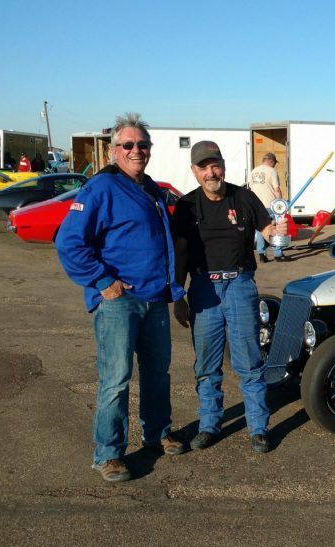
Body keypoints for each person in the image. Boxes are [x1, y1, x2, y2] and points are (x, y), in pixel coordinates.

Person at [54, 113, 187, 482]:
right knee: (115, 379)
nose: (135, 150)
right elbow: (69, 242)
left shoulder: (150, 188)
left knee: (157, 374)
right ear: (114, 151)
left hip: (155, 298)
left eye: (142, 144)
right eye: (127, 145)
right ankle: (108, 454)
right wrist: (101, 280)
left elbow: (163, 243)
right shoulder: (102, 188)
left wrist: (174, 290)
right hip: (120, 302)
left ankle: (157, 432)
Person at [171, 141, 285, 454]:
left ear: (223, 164)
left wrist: (278, 231)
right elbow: (180, 254)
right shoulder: (186, 207)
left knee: (249, 362)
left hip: (239, 285)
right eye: (204, 167)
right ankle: (209, 425)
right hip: (203, 288)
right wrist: (178, 295)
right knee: (207, 365)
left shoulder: (244, 197)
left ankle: (258, 427)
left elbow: (268, 229)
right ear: (195, 171)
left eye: (215, 164)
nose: (211, 172)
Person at [247, 152, 287, 262]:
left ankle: (261, 255)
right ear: (271, 161)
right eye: (274, 163)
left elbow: (250, 187)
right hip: (270, 204)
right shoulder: (272, 171)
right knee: (276, 227)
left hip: (256, 205)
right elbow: (277, 189)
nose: (274, 165)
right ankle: (278, 254)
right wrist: (280, 204)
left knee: (261, 229)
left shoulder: (254, 171)